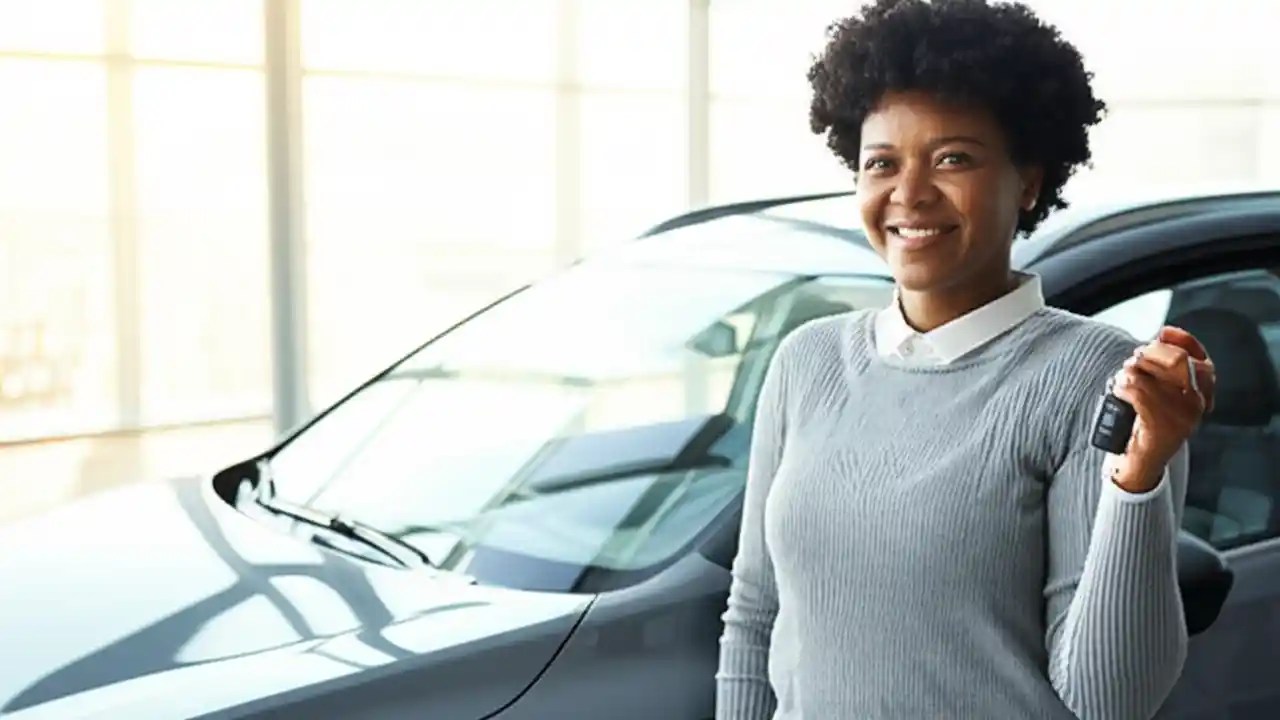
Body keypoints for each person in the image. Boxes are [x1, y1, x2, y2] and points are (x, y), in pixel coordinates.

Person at [714, 1, 1218, 718]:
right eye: (881, 163)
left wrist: (1138, 482)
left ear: (1029, 181)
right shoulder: (807, 361)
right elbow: (754, 614)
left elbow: (1110, 701)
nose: (910, 194)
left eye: (953, 158)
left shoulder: (1095, 378)